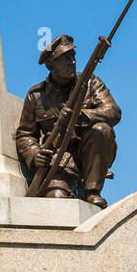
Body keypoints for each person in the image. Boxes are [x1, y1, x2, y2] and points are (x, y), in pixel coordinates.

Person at [14, 34, 120, 206]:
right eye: (64, 59)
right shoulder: (36, 95)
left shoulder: (91, 83)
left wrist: (81, 115)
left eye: (72, 56)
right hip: (59, 160)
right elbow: (25, 134)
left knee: (102, 129)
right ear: (50, 65)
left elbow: (113, 112)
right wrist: (35, 155)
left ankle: (92, 191)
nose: (71, 62)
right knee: (57, 201)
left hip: (89, 154)